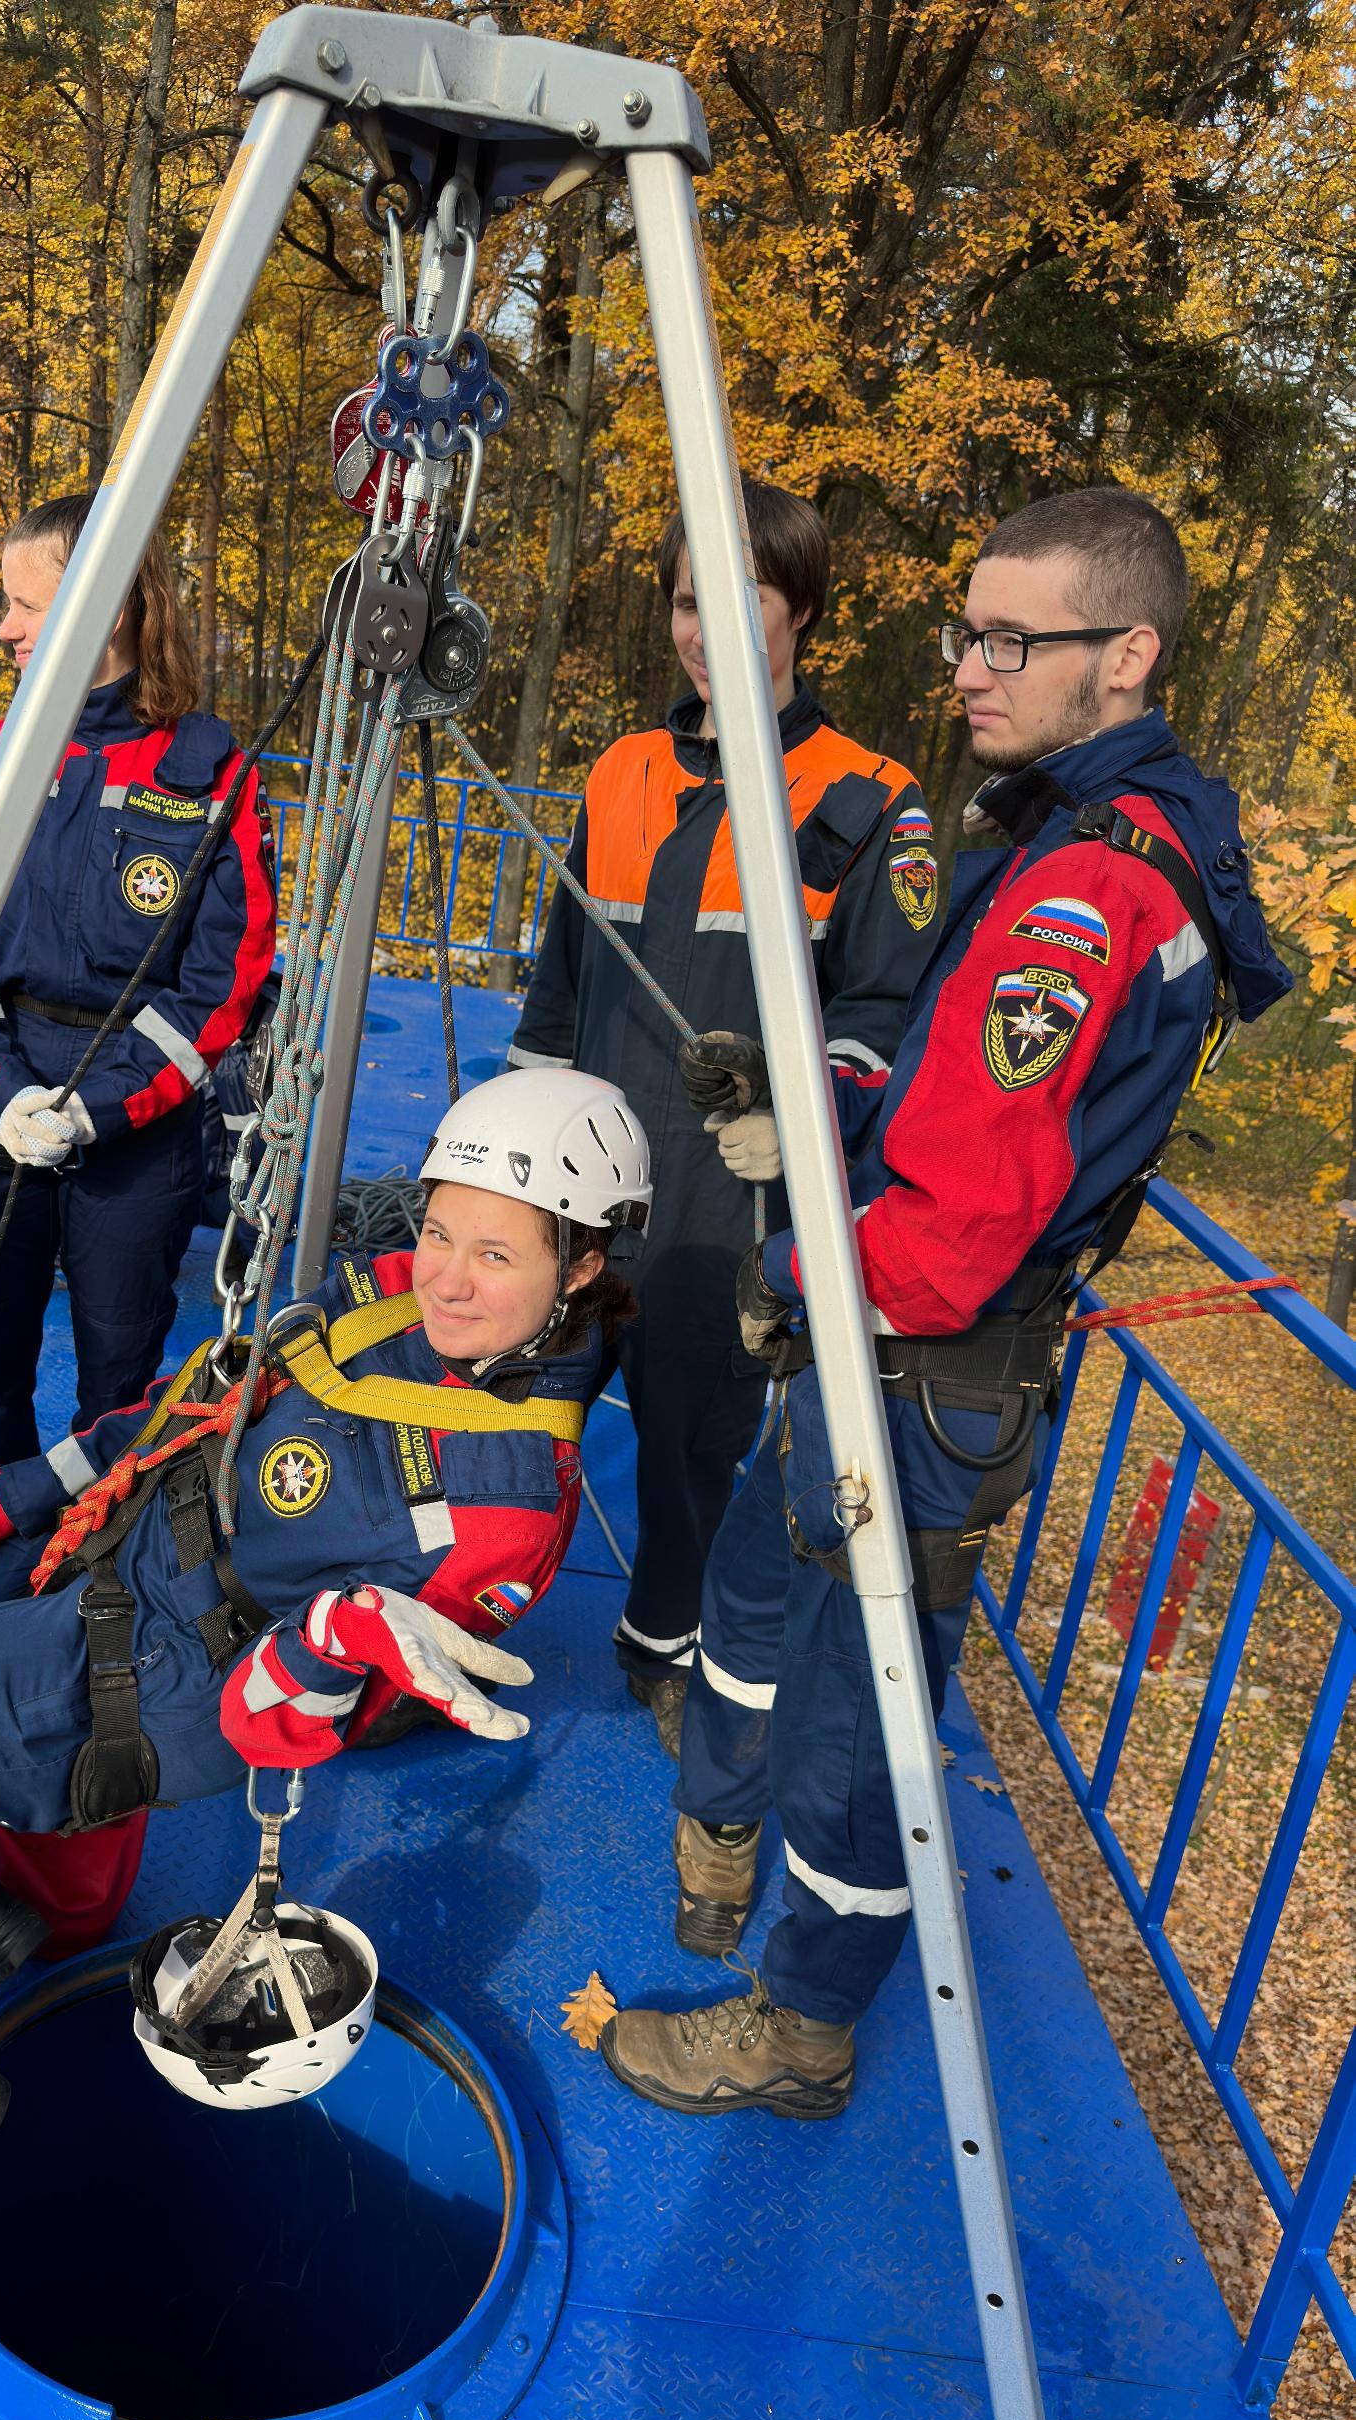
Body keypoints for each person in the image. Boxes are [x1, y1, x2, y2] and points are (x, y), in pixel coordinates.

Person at [0, 1070, 650, 2215]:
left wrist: (328, 1646)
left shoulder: (500, 1512)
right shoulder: (392, 1301)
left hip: (151, 1679)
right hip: (109, 1538)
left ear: (585, 1264)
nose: (449, 1275)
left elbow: (264, 1729)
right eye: (442, 1229)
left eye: (497, 1256)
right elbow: (184, 1405)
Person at [600, 485, 1292, 2120]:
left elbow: (959, 1230)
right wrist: (819, 1128)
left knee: (863, 1714)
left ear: (1125, 654)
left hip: (920, 1362)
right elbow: (949, 1104)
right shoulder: (1074, 830)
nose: (971, 669)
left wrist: (782, 1272)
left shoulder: (1086, 891)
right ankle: (722, 1829)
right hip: (894, 1338)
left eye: (1010, 641)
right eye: (965, 633)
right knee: (774, 1607)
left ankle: (802, 2022)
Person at [508, 484, 942, 1755]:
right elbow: (560, 983)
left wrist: (793, 1104)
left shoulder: (872, 802)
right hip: (587, 1177)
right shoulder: (625, 773)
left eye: (739, 598)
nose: (706, 631)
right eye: (690, 601)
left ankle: (663, 1651)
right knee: (505, 1404)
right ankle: (439, 1608)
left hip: (725, 1201)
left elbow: (884, 1015)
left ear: (800, 607)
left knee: (696, 1448)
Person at [0, 494, 276, 1495]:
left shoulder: (211, 776)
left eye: (27, 605)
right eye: (5, 604)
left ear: (108, 609)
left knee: (119, 1364)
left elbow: (223, 982)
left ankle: (92, 1568)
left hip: (135, 1127)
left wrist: (99, 1109)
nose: (4, 629)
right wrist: (2, 1097)